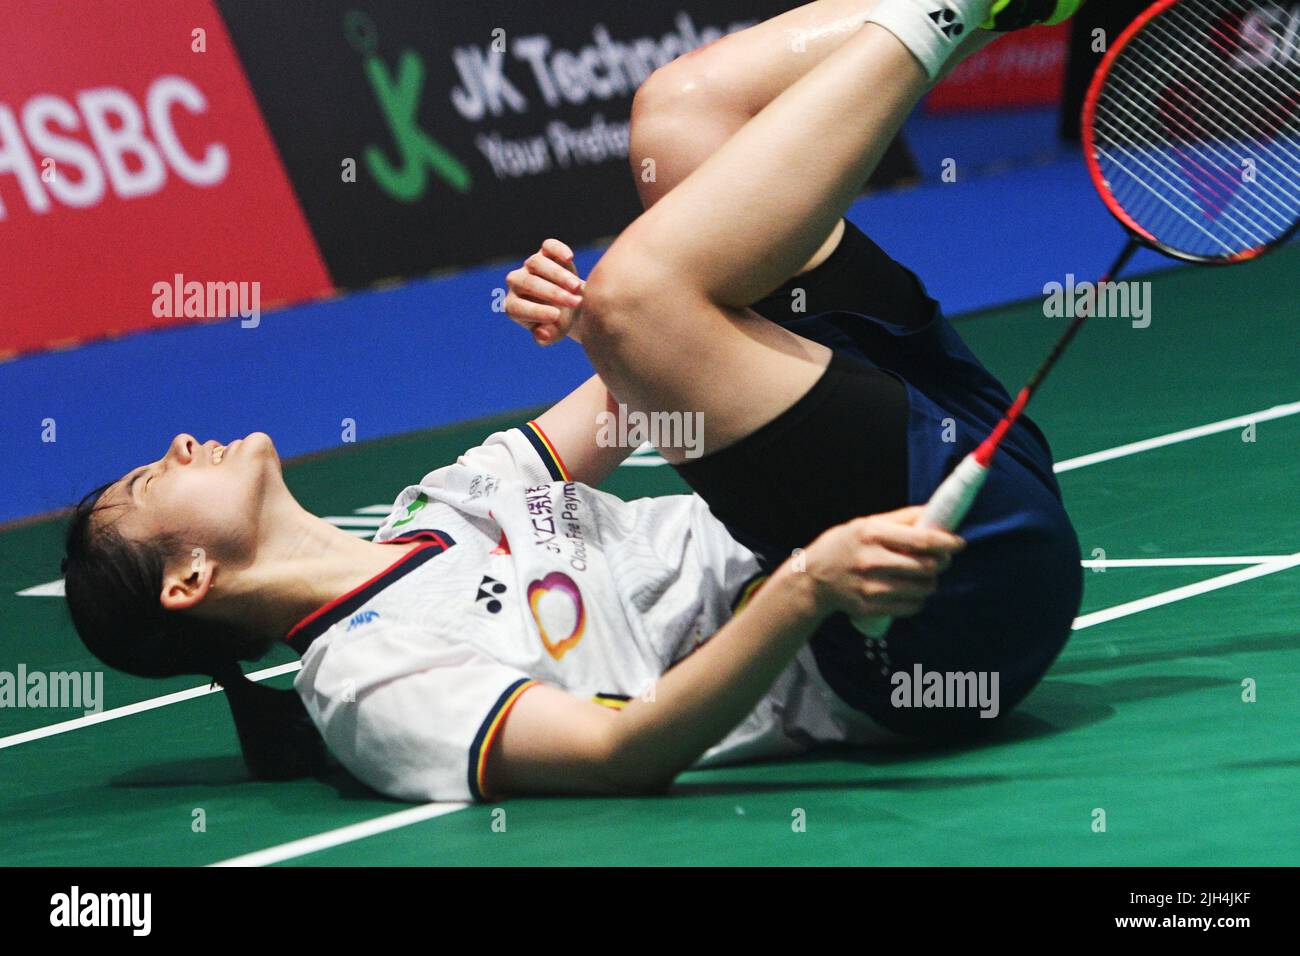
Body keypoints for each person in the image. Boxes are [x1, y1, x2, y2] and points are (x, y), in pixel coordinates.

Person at [63, 0, 1084, 802]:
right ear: (188, 579)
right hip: (913, 615)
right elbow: (616, 753)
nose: (183, 439)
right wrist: (808, 584)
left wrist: (584, 312)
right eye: (157, 476)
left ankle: (998, 6)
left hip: (918, 451)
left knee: (678, 118)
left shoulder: (437, 508)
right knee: (642, 300)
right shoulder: (370, 686)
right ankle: (945, 5)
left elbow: (638, 387)